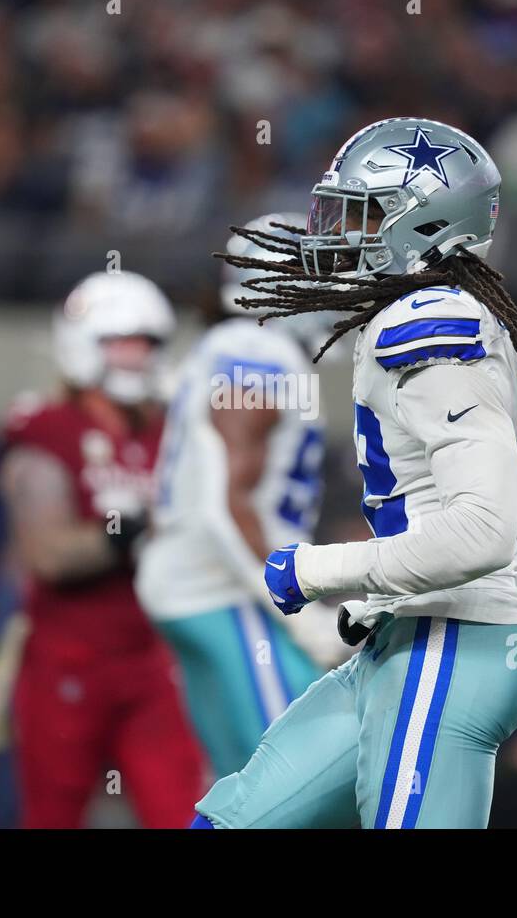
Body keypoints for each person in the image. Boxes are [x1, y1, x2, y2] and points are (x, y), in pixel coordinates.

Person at [191, 116, 517, 829]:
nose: (334, 233)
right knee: (233, 821)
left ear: (424, 225)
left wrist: (322, 571)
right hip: (409, 634)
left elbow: (479, 532)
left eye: (360, 214)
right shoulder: (421, 313)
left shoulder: (433, 322)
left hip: (451, 642)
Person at [137, 213, 347, 779]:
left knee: (239, 791)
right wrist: (297, 615)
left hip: (195, 585)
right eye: (324, 273)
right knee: (305, 775)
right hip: (224, 589)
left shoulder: (230, 348)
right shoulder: (260, 355)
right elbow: (222, 505)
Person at [0, 270, 205, 827]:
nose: (136, 357)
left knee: (181, 811)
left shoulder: (169, 431)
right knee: (53, 817)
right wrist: (131, 531)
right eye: (122, 343)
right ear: (84, 346)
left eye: (147, 344)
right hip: (68, 661)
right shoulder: (48, 429)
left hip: (151, 657)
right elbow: (47, 554)